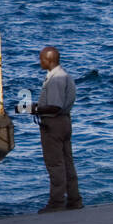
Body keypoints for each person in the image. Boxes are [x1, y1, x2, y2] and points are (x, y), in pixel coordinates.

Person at [34, 46, 81, 212]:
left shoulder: (54, 79)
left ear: (49, 60)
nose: (40, 62)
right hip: (65, 122)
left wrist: (34, 109)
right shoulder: (65, 75)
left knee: (55, 164)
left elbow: (54, 106)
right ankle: (74, 199)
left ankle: (57, 202)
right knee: (68, 162)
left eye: (42, 59)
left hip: (53, 124)